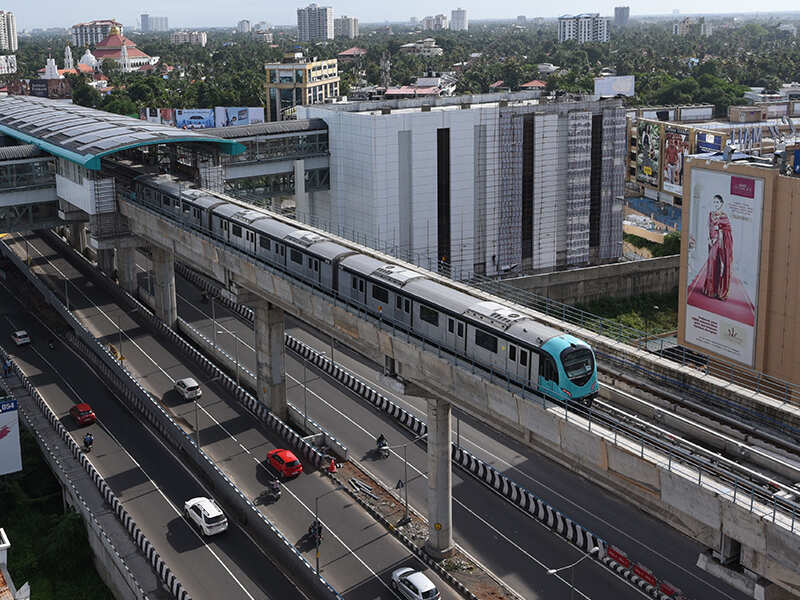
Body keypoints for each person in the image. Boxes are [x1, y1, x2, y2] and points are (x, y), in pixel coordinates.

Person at [702, 194, 733, 300]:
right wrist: (708, 239)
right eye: (714, 202)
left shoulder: (724, 217)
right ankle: (711, 289)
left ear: (722, 203)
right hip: (711, 242)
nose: (716, 204)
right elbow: (708, 227)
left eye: (718, 202)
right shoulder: (711, 214)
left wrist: (719, 233)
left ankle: (720, 290)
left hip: (720, 243)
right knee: (712, 264)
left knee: (720, 264)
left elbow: (728, 230)